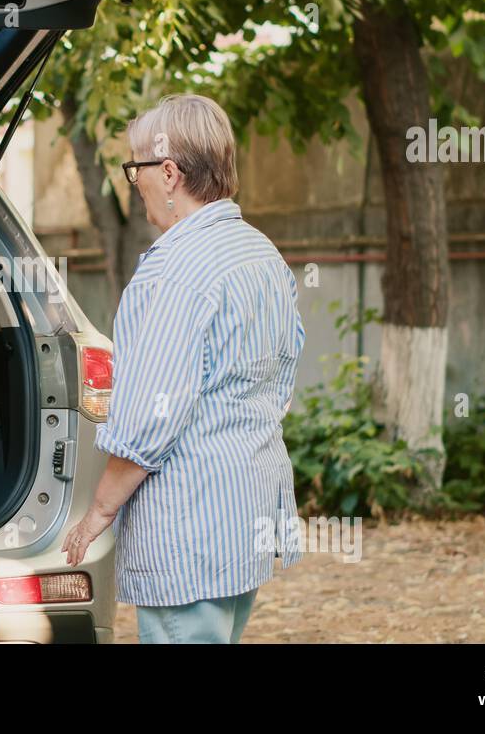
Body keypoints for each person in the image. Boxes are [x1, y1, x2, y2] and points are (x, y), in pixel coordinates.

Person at [61, 94, 306, 644]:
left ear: (168, 172)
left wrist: (98, 513)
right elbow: (282, 378)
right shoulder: (261, 254)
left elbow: (150, 420)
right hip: (246, 513)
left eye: (136, 168)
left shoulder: (172, 274)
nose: (135, 181)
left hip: (189, 532)